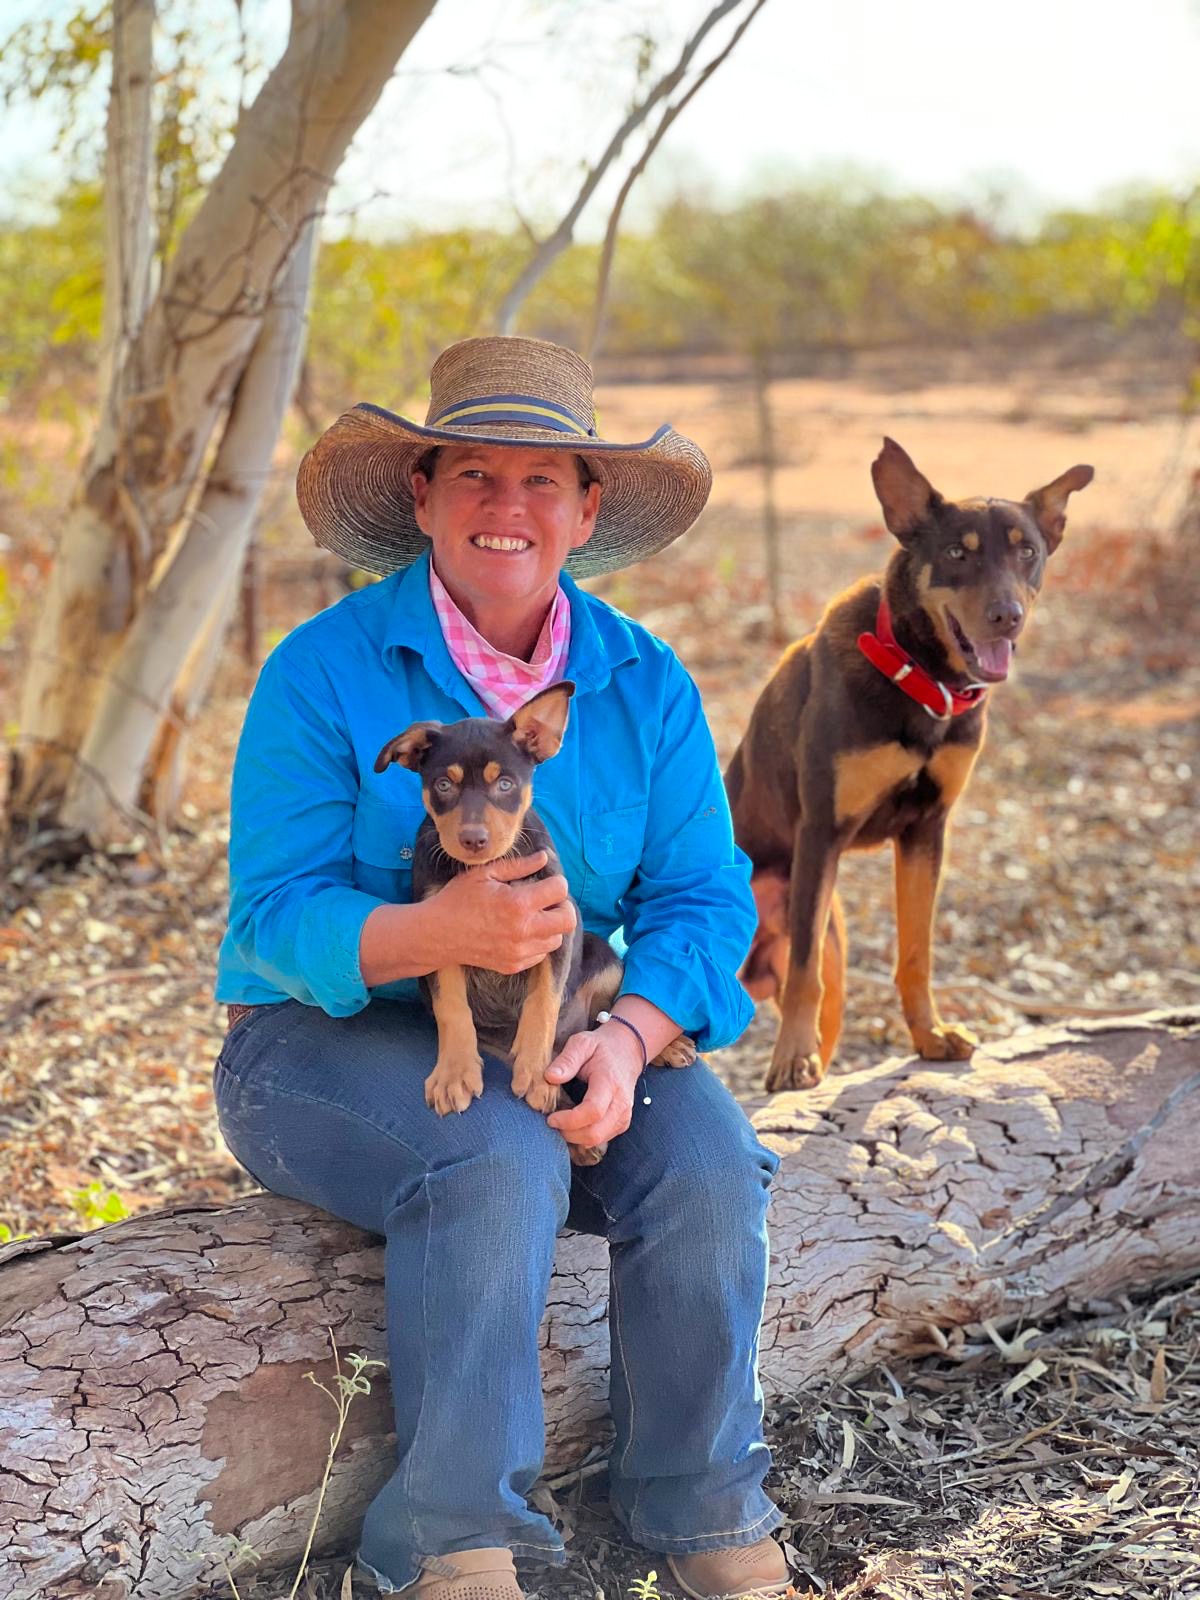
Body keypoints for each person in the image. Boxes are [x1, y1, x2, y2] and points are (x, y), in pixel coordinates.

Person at [213, 336, 789, 1600]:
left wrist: (628, 1037)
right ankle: (454, 1542)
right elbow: (269, 917)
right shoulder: (325, 671)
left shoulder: (643, 680)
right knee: (493, 1151)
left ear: (587, 509)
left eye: (544, 479)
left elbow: (700, 895)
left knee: (706, 1164)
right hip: (318, 1040)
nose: (506, 505)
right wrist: (439, 936)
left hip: (563, 1011)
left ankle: (702, 1510)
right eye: (473, 472)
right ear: (420, 497)